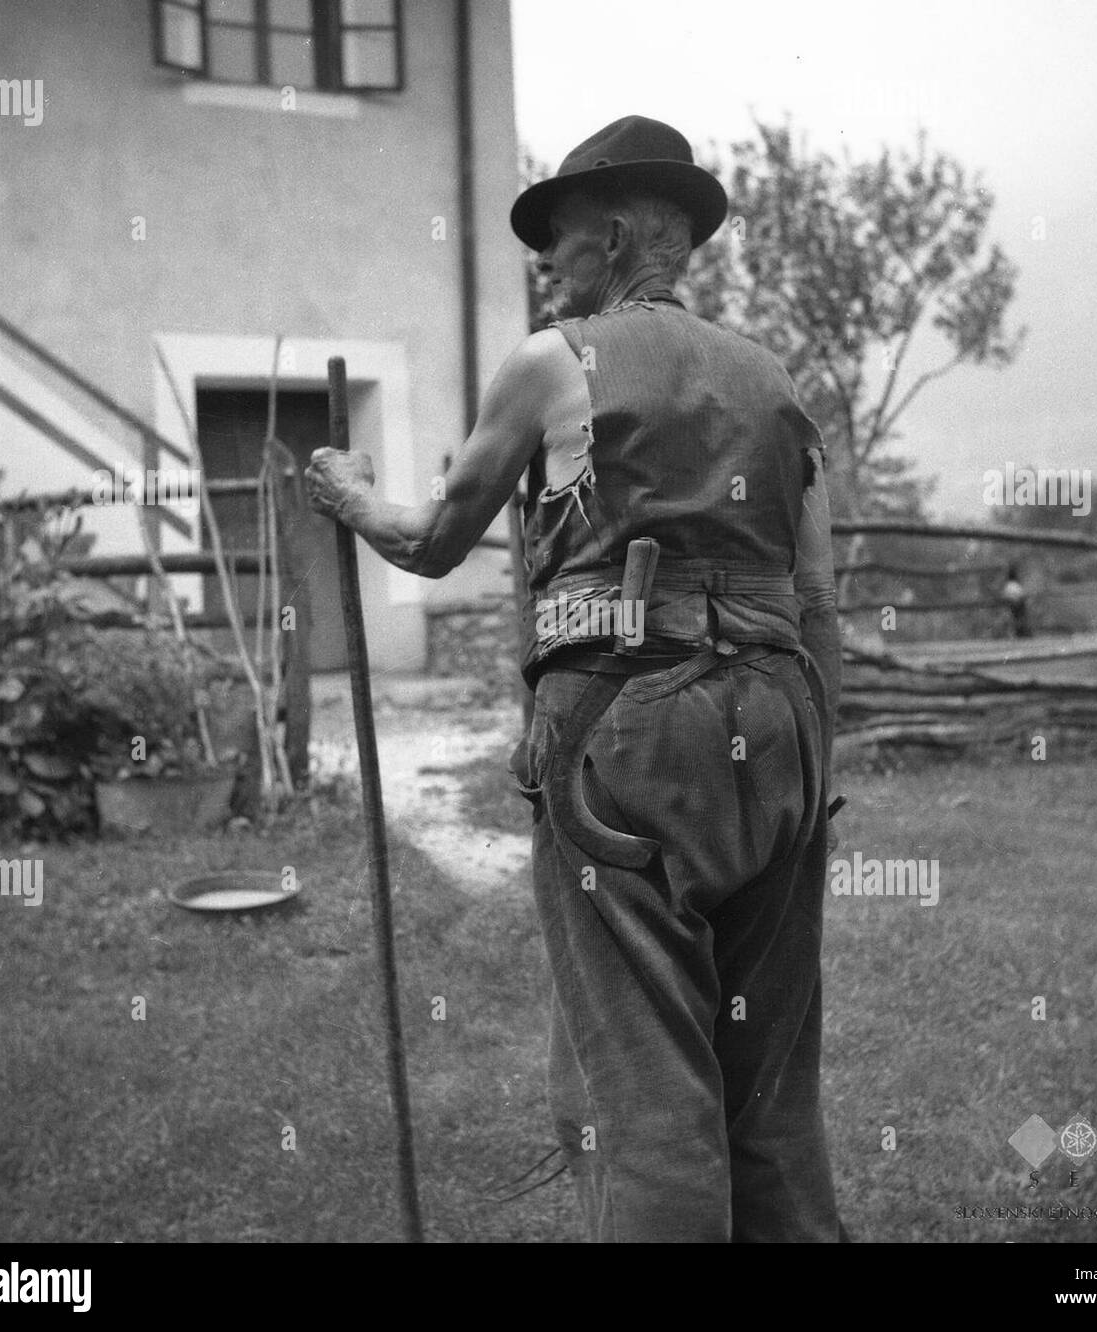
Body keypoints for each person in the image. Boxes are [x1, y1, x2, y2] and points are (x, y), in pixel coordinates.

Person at [306, 115, 845, 1243]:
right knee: (769, 1086)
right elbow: (815, 598)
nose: (543, 271)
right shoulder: (774, 381)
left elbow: (433, 538)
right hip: (783, 735)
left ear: (608, 235)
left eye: (552, 244)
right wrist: (813, 771)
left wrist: (350, 489)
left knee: (644, 1091)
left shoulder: (556, 360)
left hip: (627, 730)